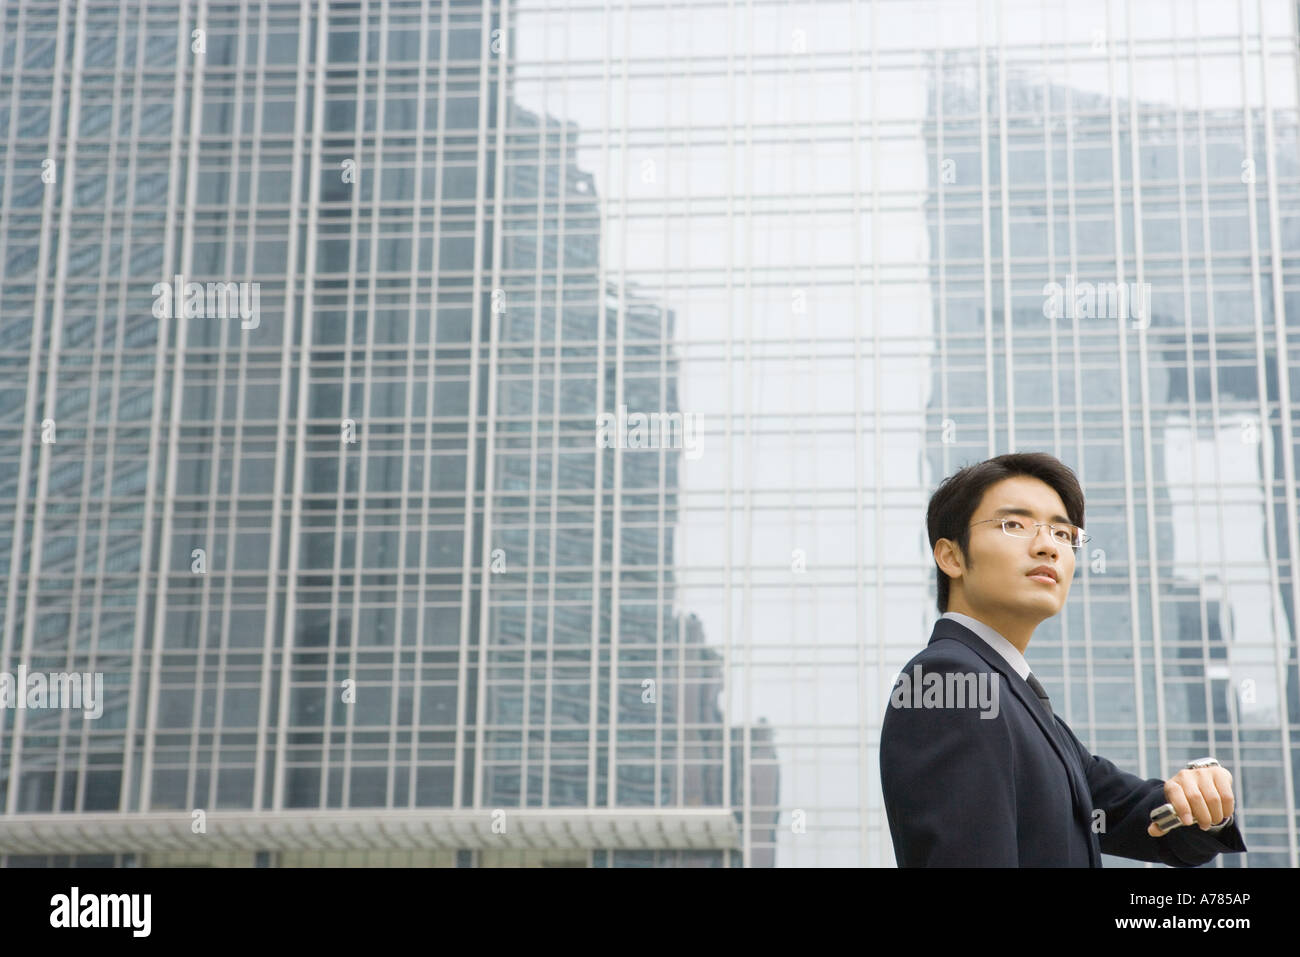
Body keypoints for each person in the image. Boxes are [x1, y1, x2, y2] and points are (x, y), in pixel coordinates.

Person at [880, 452, 1248, 866]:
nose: (1047, 547)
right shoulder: (950, 678)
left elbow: (1135, 818)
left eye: (1062, 533)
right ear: (951, 557)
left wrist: (1201, 801)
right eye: (1014, 525)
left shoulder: (1022, 704)